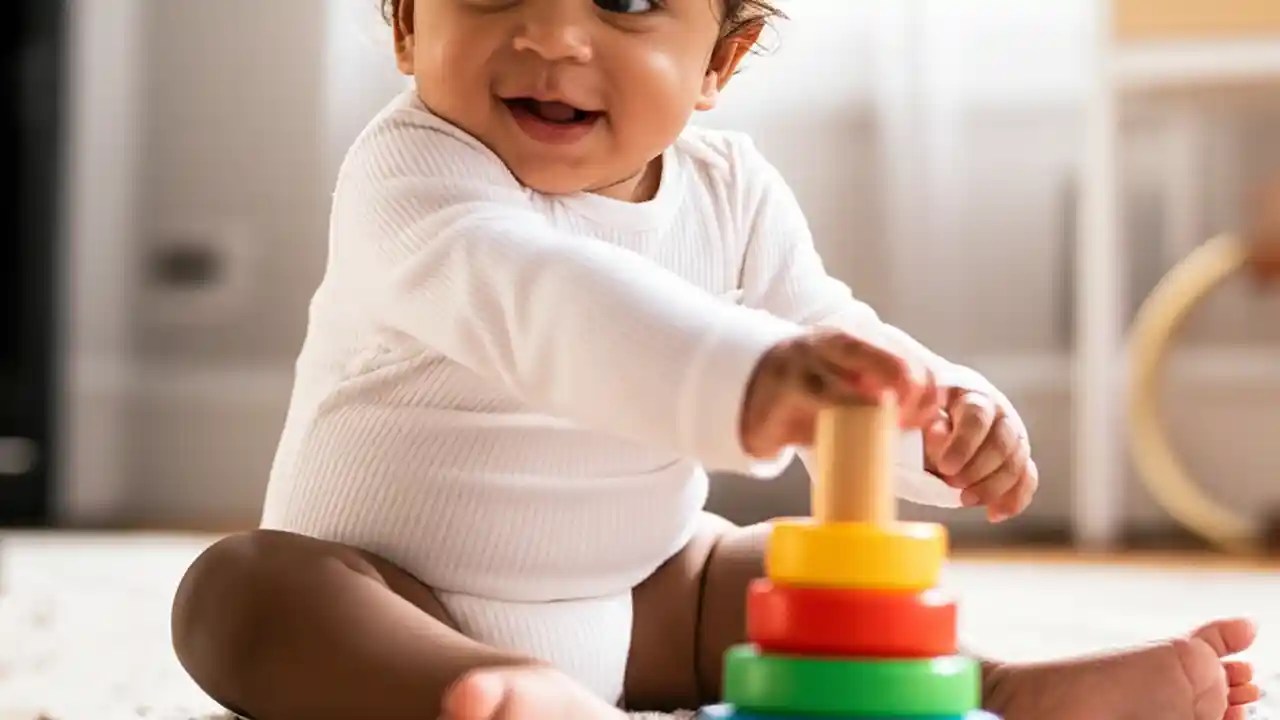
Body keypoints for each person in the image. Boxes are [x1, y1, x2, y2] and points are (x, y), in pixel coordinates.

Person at [170, 1, 1261, 718]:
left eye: (629, 0)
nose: (551, 36)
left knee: (768, 564)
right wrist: (748, 376)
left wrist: (935, 414)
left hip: (646, 600)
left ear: (718, 62)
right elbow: (544, 302)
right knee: (243, 594)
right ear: (408, 25)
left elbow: (829, 335)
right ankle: (491, 692)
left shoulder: (731, 189)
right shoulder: (411, 176)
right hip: (389, 603)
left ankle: (982, 693)